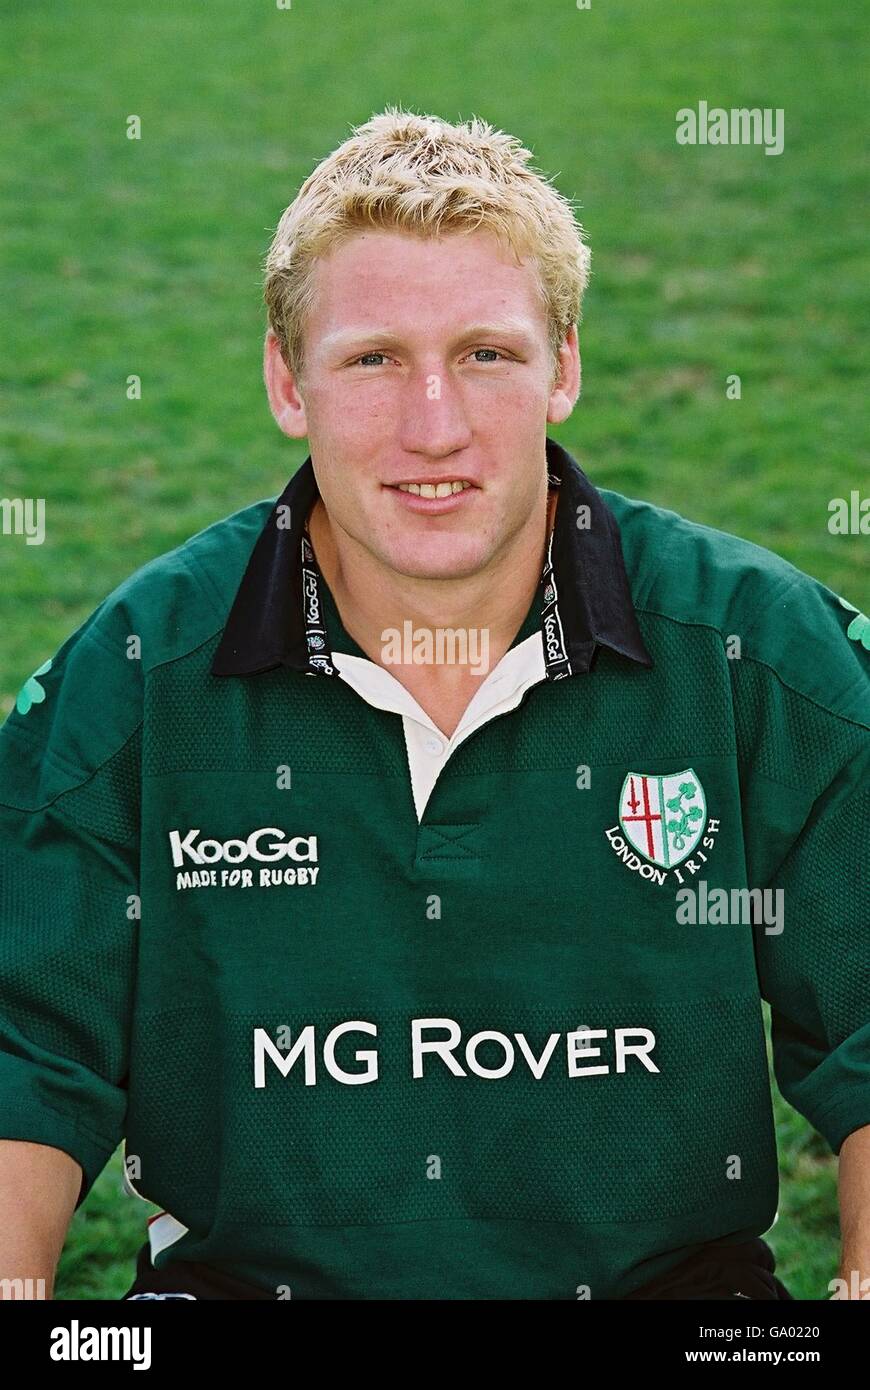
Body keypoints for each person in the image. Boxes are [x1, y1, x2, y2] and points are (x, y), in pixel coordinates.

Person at [0, 109, 867, 1302]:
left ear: (564, 364)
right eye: (371, 359)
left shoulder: (759, 653)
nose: (433, 427)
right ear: (283, 377)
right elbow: (22, 1047)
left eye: (485, 354)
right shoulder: (140, 670)